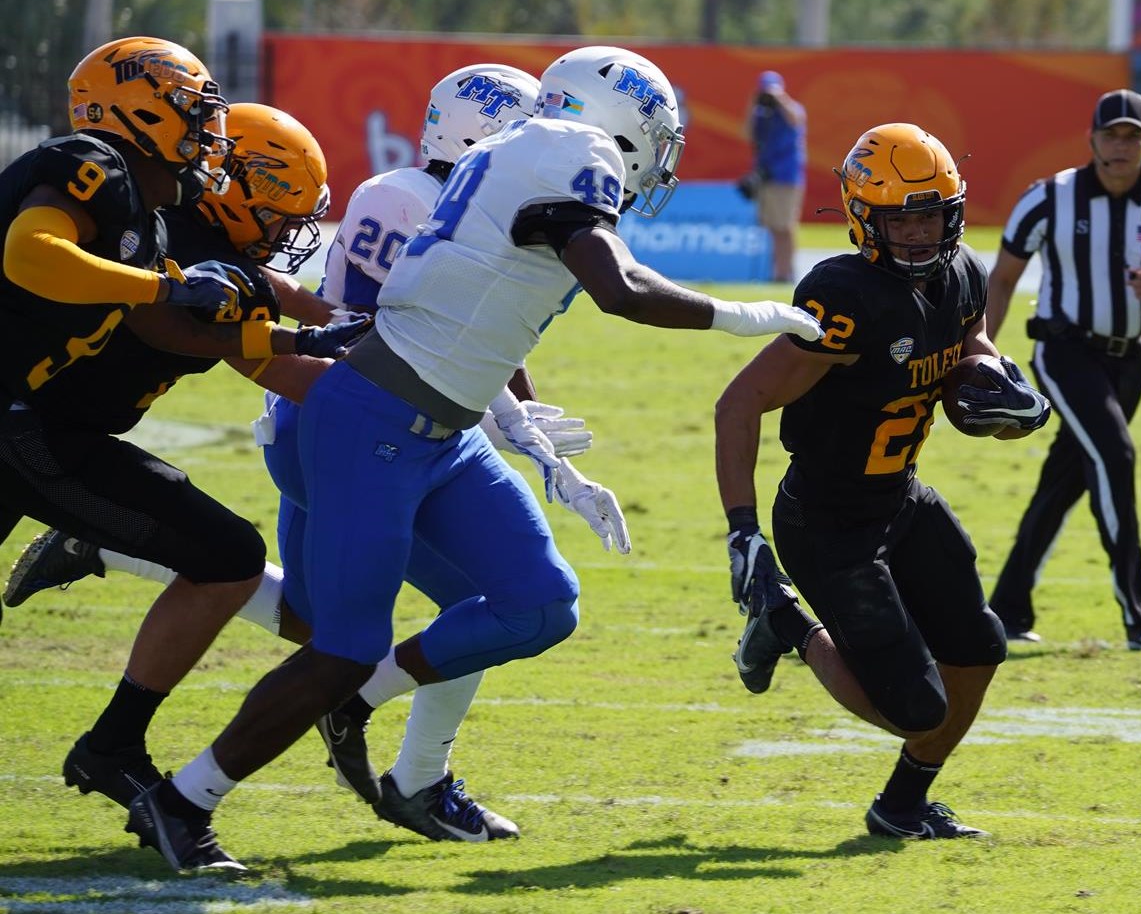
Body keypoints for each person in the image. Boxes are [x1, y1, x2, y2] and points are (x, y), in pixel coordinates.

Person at [125, 45, 823, 873]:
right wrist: (750, 317)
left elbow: (480, 304)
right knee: (341, 640)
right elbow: (618, 289)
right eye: (657, 132)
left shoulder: (524, 151)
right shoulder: (573, 153)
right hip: (374, 420)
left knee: (540, 602)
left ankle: (360, 709)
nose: (658, 154)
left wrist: (526, 431)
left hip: (443, 427)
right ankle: (183, 799)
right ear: (622, 119)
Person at [6, 64, 619, 845]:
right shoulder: (411, 203)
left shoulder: (213, 234)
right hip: (346, 424)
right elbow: (283, 333)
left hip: (373, 418)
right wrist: (357, 368)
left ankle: (132, 604)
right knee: (354, 636)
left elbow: (294, 312)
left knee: (320, 618)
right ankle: (393, 767)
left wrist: (321, 338)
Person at [0, 71, 363, 823]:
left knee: (224, 551)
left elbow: (250, 315)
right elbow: (185, 314)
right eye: (197, 123)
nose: (207, 142)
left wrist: (351, 334)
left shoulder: (167, 231)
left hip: (49, 428)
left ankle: (111, 729)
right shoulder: (101, 182)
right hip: (32, 428)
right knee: (227, 552)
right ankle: (112, 745)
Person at [714, 123, 1052, 840]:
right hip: (828, 520)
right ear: (865, 217)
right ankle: (785, 620)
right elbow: (739, 402)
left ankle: (900, 806)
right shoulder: (845, 296)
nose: (920, 231)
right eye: (902, 217)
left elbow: (971, 346)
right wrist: (742, 529)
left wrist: (1001, 388)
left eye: (931, 213)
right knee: (913, 708)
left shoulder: (960, 275)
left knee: (979, 648)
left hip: (902, 495)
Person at [983, 89, 1141, 651]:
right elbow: (1004, 277)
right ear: (1091, 140)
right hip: (1064, 351)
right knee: (1115, 456)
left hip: (1131, 357)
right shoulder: (1049, 198)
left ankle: (1006, 608)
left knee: (1067, 477)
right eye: (1111, 136)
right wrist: (982, 348)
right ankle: (1139, 613)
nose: (1121, 146)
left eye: (1132, 137)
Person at [745, 70, 806, 282]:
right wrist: (755, 104)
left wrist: (780, 99)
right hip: (767, 176)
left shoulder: (792, 108)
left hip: (786, 176)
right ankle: (778, 270)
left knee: (785, 226)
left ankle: (787, 271)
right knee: (773, 226)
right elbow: (749, 134)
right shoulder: (762, 114)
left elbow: (795, 119)